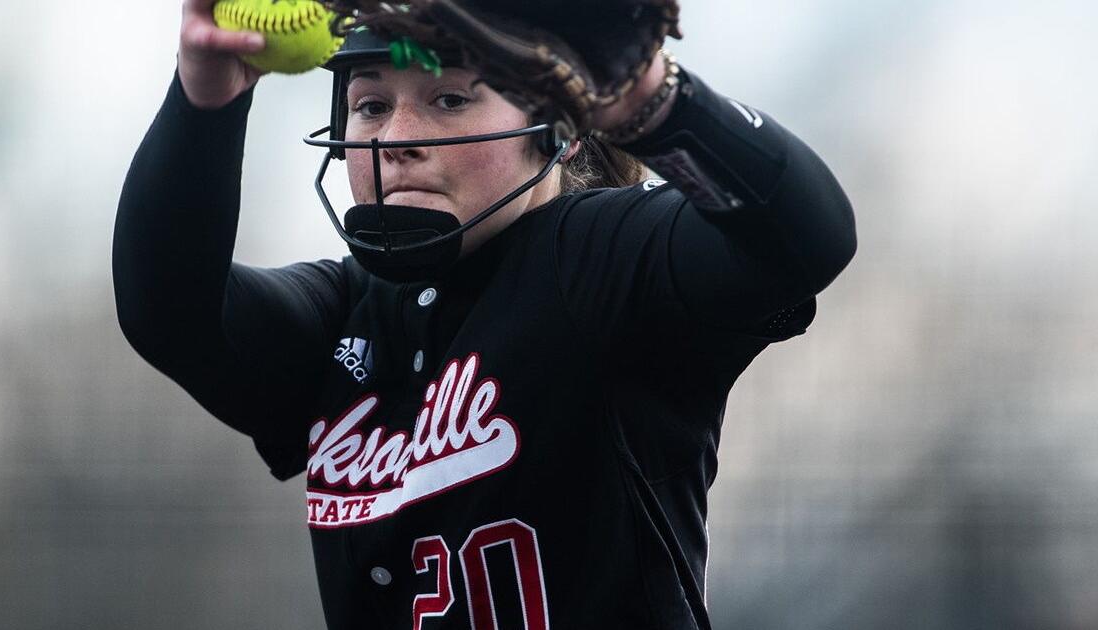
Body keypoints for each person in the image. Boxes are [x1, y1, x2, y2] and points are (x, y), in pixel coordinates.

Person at [113, 1, 856, 628]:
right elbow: (167, 310)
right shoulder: (345, 314)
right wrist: (205, 99)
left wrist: (653, 102)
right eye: (370, 106)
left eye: (449, 99)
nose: (396, 139)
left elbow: (807, 236)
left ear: (558, 129)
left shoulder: (599, 259)